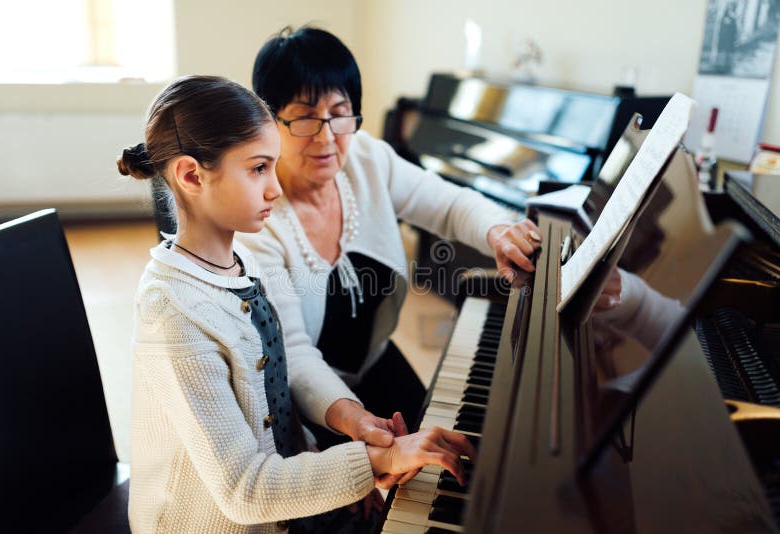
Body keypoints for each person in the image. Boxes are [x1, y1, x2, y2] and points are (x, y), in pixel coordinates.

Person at [118, 75, 475, 534]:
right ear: (191, 175)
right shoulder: (173, 313)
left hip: (286, 499)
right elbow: (244, 490)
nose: (276, 188)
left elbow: (278, 403)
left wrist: (346, 458)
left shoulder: (241, 261)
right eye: (258, 168)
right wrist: (372, 461)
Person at [239, 27, 544, 448]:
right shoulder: (258, 220)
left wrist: (497, 230)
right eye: (306, 116)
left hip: (375, 360)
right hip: (307, 401)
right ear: (269, 120)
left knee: (454, 447)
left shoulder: (366, 158)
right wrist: (358, 426)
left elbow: (449, 204)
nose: (328, 136)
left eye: (341, 112)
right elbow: (294, 355)